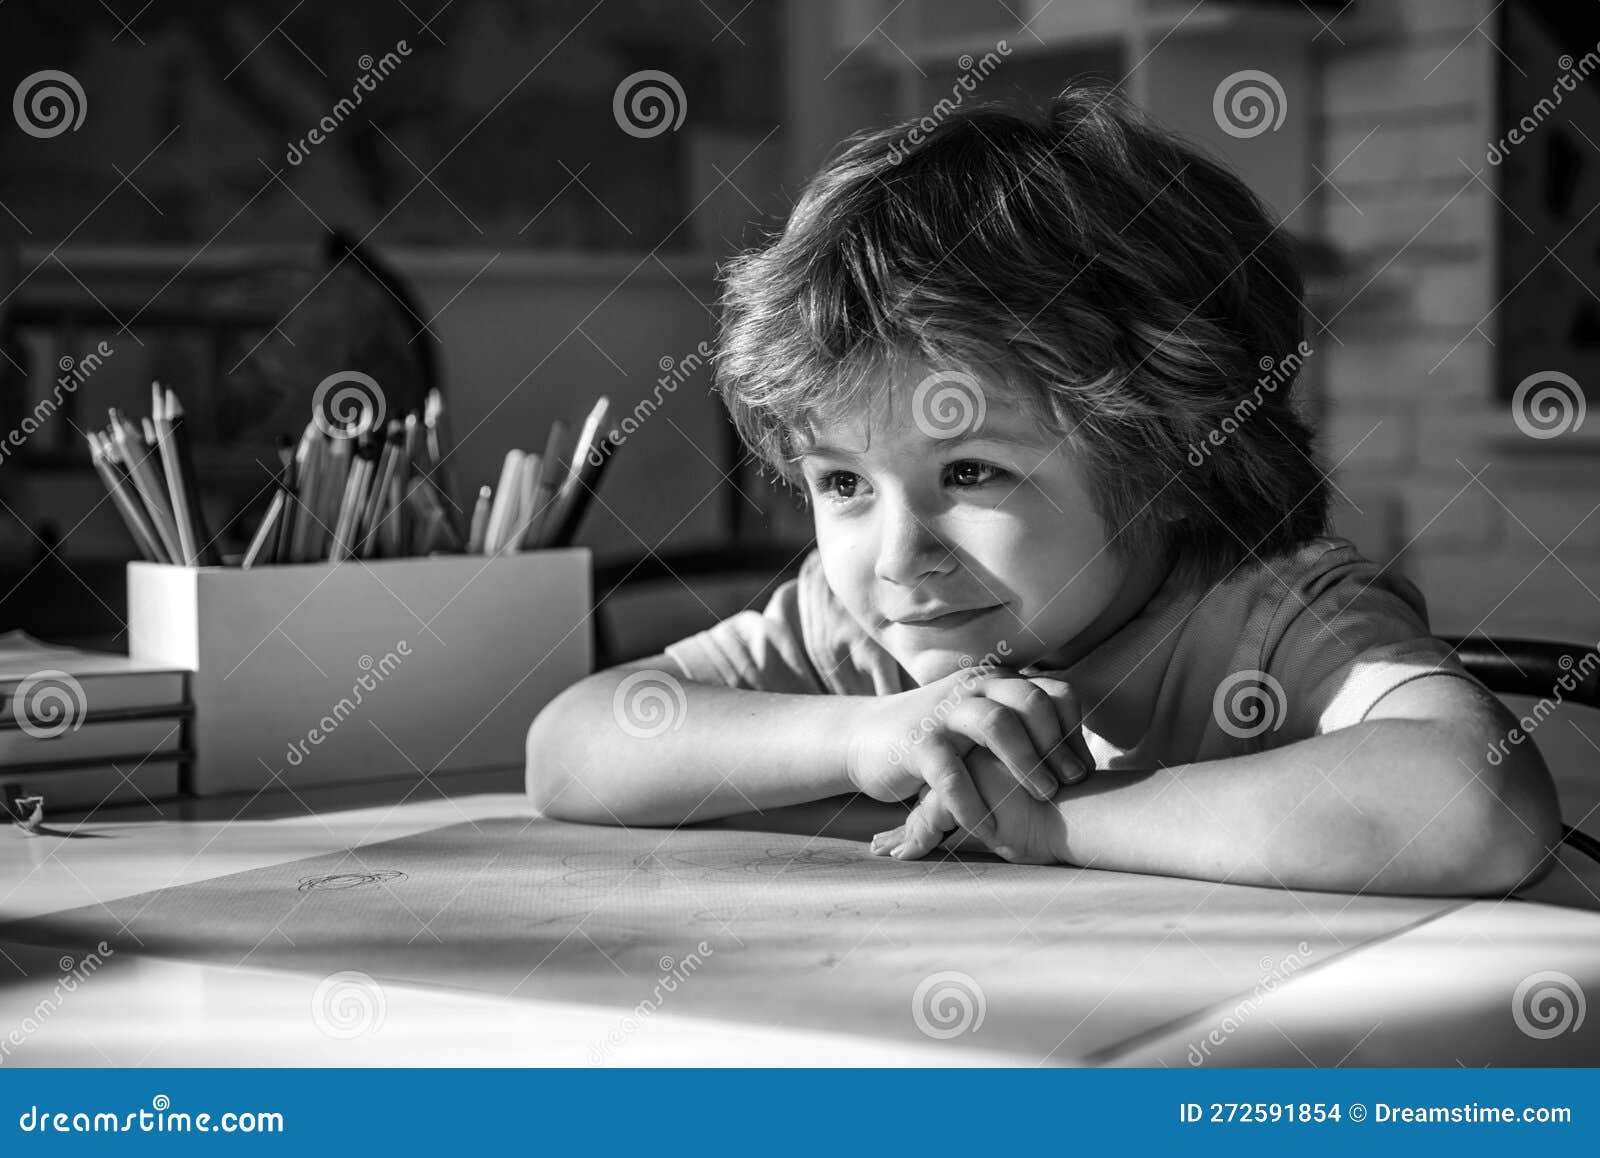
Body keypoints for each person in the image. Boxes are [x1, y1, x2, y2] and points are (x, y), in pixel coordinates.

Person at [526, 85, 1559, 896]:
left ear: (1168, 463)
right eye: (841, 481)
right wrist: (859, 734)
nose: (895, 558)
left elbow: (1477, 805)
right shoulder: (862, 630)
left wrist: (1055, 822)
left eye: (969, 472)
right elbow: (569, 747)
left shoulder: (1268, 618)